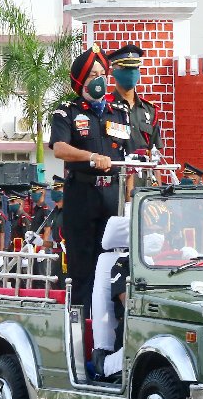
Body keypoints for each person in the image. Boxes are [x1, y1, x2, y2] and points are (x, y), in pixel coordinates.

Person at [50, 46, 131, 315]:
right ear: (80, 81)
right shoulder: (67, 112)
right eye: (92, 75)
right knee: (83, 261)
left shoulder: (119, 111)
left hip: (113, 195)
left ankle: (113, 318)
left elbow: (132, 155)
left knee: (114, 258)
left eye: (101, 74)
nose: (99, 79)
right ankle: (83, 321)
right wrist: (91, 156)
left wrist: (130, 196)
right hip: (82, 193)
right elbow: (60, 148)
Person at [106, 43, 163, 159]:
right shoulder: (105, 107)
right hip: (116, 173)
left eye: (135, 68)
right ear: (113, 72)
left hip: (143, 175)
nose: (131, 72)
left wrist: (157, 177)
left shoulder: (150, 110)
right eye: (126, 68)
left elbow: (155, 153)